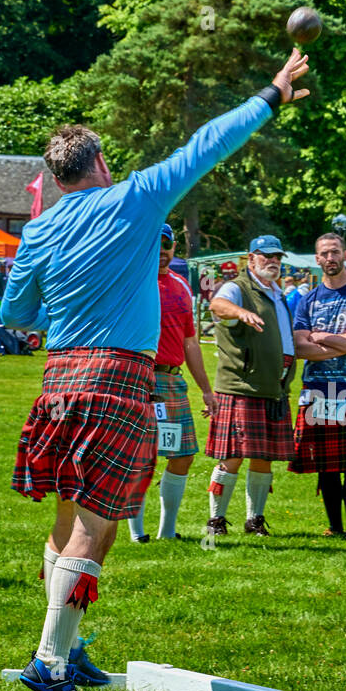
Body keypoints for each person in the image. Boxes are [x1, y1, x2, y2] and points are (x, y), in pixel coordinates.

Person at [1, 49, 311, 691]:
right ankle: (49, 661)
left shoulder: (40, 228)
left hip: (59, 379)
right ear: (102, 164)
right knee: (94, 521)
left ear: (58, 178)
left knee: (82, 518)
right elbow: (204, 147)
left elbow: (15, 314)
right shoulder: (134, 200)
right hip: (117, 378)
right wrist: (271, 95)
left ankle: (69, 644)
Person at [205, 234, 300, 537]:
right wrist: (241, 312)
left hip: (273, 387)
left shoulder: (276, 293)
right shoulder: (238, 288)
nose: (272, 261)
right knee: (232, 455)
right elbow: (217, 305)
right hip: (242, 387)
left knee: (264, 457)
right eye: (266, 255)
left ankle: (254, 520)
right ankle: (216, 521)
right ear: (251, 257)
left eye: (277, 257)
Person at [127, 223, 215, 543]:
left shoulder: (181, 285)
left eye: (167, 247)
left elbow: (190, 341)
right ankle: (137, 533)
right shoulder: (132, 282)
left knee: (182, 454)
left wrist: (206, 389)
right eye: (155, 246)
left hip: (172, 380)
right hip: (139, 378)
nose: (162, 253)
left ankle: (167, 531)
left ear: (174, 248)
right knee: (139, 456)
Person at [289, 233, 346, 537]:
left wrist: (321, 336)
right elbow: (300, 348)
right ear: (317, 259)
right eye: (324, 254)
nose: (330, 258)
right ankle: (334, 527)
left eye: (335, 252)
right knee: (326, 464)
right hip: (317, 389)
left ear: (345, 255)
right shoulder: (308, 300)